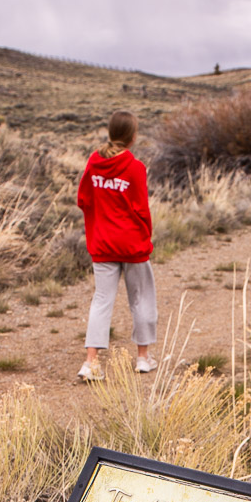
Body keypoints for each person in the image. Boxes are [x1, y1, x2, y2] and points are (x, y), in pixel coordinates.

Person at [76, 110, 158, 381]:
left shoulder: (93, 163)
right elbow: (141, 209)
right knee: (141, 299)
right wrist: (146, 237)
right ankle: (143, 358)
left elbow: (83, 199)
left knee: (101, 301)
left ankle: (91, 363)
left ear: (111, 132)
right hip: (132, 245)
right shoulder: (135, 168)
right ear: (133, 137)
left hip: (101, 243)